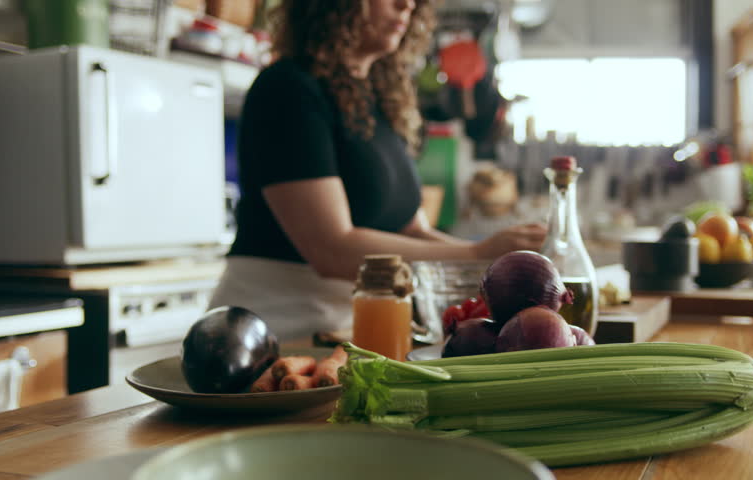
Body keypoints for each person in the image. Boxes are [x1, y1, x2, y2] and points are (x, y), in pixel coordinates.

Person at [209, 0, 546, 340]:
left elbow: (412, 231)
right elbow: (331, 248)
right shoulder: (287, 88)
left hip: (346, 328)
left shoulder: (376, 101)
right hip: (271, 331)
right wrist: (476, 254)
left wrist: (493, 264)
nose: (406, 6)